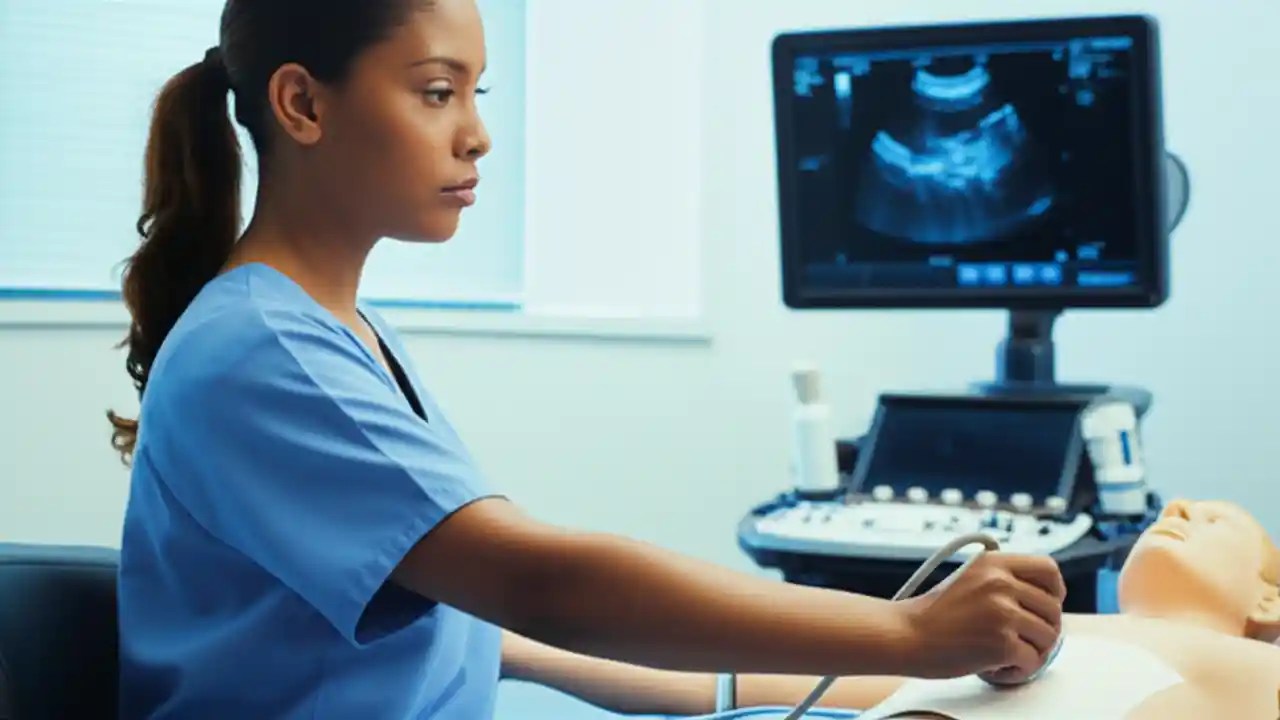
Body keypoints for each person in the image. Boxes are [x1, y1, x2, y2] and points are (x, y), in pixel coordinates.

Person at [109, 1, 1067, 717]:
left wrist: (861, 681)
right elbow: (545, 585)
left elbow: (498, 637)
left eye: (477, 94)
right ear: (302, 104)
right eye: (438, 92)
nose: (477, 131)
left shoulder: (334, 335)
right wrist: (908, 633)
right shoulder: (264, 351)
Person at [521, 498, 1280, 719]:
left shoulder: (1258, 668)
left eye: (1219, 520)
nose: (1179, 506)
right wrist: (507, 649)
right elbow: (725, 684)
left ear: (1268, 599)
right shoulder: (981, 646)